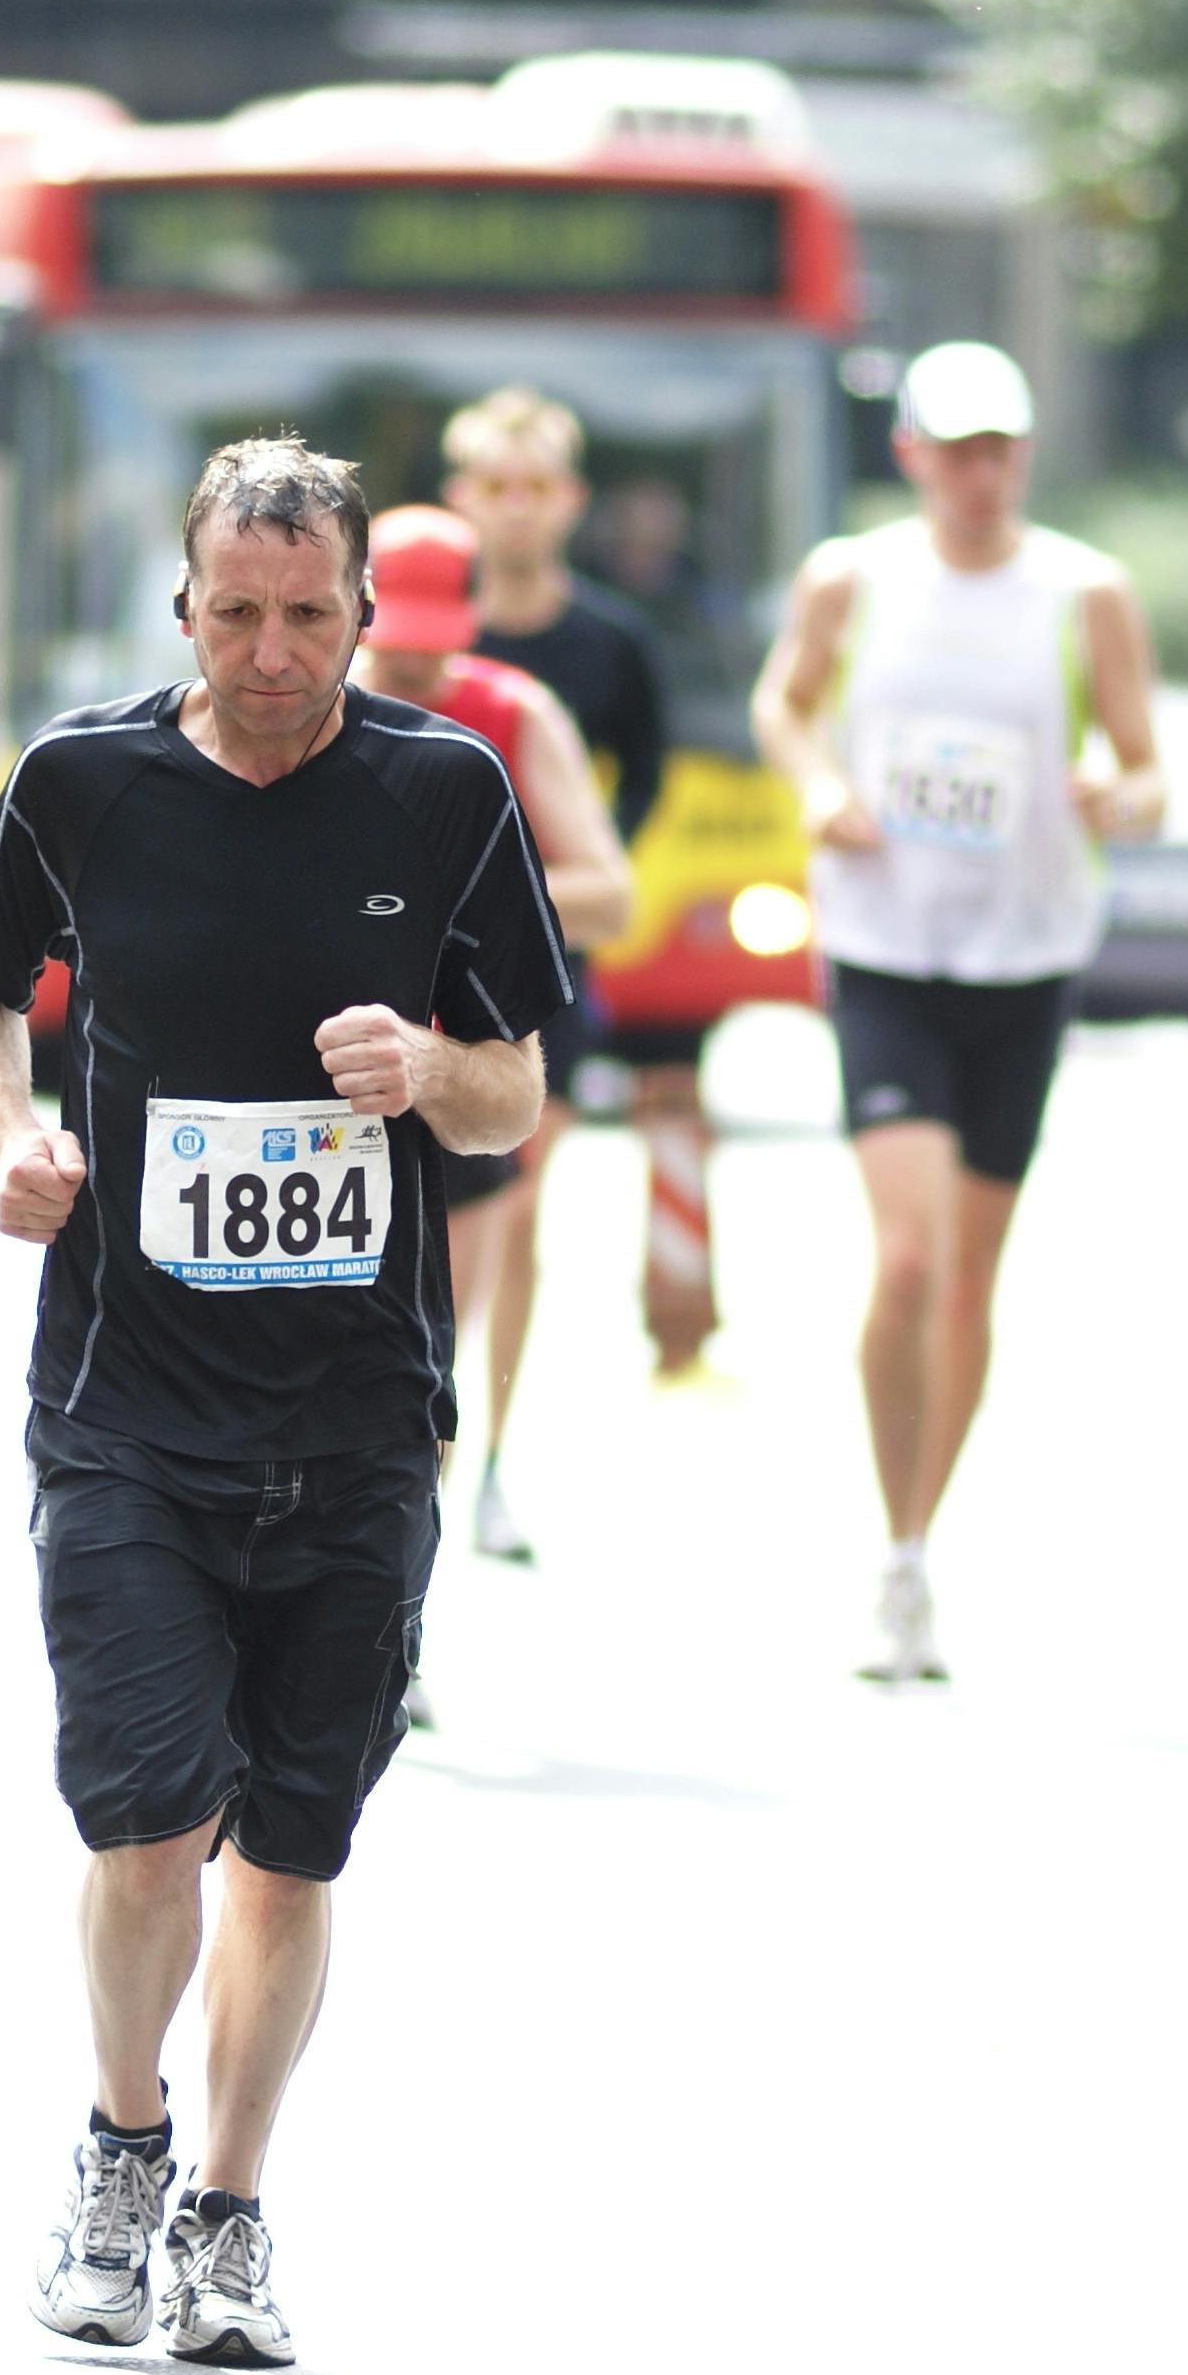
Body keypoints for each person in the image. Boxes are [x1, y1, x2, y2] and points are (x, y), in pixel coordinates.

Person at [0, 436, 566, 2368]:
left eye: (309, 615)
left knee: (289, 1849)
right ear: (182, 609)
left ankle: (229, 2206)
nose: (274, 651)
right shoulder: (80, 781)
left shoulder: (446, 792)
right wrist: (8, 1134)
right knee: (148, 1815)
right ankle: (120, 2147)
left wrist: (428, 1065)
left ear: (366, 612)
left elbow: (516, 1093)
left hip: (361, 1413)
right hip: (126, 1397)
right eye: (237, 614)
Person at [749, 342, 1165, 1685]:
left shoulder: (1080, 589)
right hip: (882, 943)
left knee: (971, 1272)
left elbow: (1144, 763)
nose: (980, 474)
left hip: (1023, 952)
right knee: (911, 1258)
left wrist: (1121, 797)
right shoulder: (852, 576)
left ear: (1021, 457)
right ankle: (890, 1554)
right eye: (956, 449)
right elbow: (783, 701)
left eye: (1002, 450)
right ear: (911, 454)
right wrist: (815, 784)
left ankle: (917, 1546)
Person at [443, 385, 718, 1523]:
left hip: (543, 962)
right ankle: (420, 1434)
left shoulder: (606, 641)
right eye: (493, 488)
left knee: (511, 1201)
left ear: (568, 500)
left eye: (535, 489)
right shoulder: (418, 631)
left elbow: (648, 770)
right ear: (462, 498)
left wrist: (581, 867)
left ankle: (492, 1449)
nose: (513, 510)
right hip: (415, 959)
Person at [353, 504, 632, 1584]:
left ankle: (403, 1595)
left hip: (464, 1064)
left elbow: (607, 893)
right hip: (325, 1069)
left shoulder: (512, 713)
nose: (416, 661)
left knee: (430, 1339)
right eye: (396, 635)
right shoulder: (297, 699)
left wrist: (445, 902)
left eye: (436, 634)